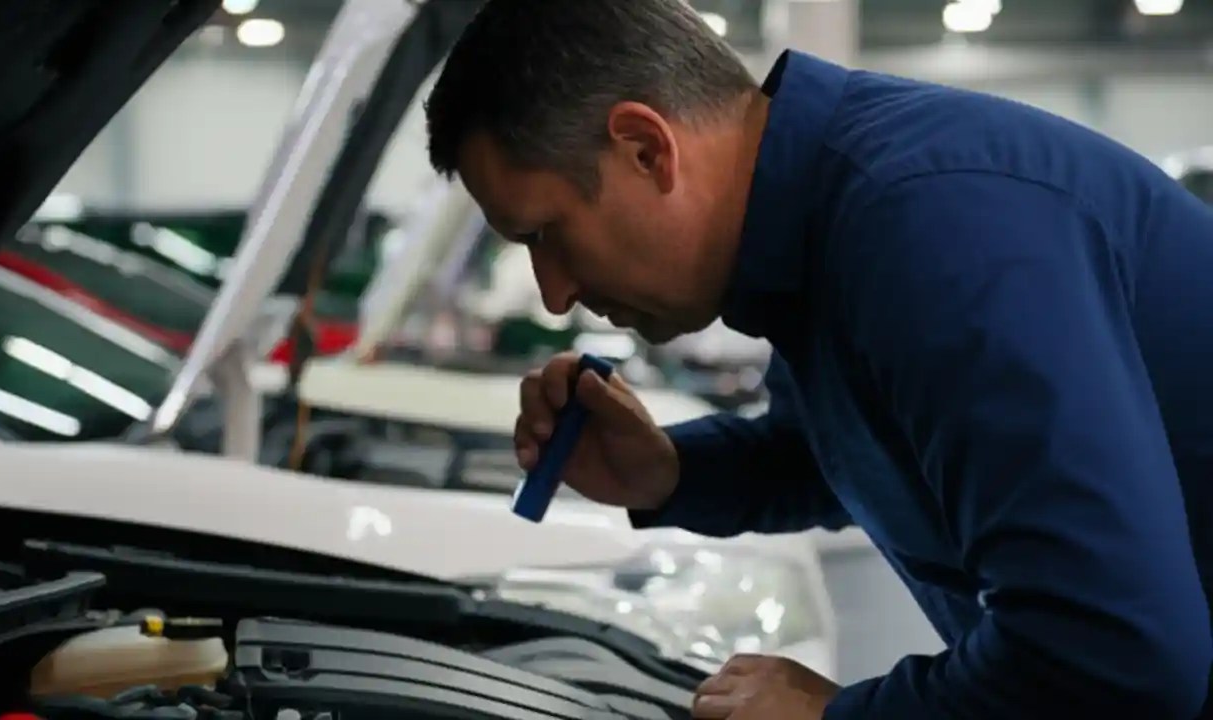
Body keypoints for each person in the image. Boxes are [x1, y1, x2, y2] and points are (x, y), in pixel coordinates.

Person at [423, 0, 1213, 717]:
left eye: (543, 236)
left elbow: (1114, 654)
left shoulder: (925, 231)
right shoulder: (826, 222)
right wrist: (670, 473)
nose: (553, 294)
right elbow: (861, 445)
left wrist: (836, 717)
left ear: (644, 149)